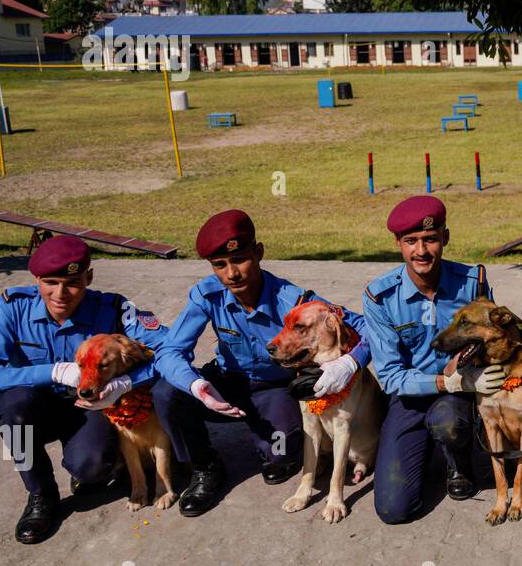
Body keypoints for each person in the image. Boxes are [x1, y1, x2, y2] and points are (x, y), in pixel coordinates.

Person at [152, 209, 371, 517]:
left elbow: (364, 328)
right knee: (167, 393)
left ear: (258, 253)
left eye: (239, 259)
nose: (232, 274)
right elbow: (169, 351)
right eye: (219, 265)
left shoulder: (293, 299)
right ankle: (203, 465)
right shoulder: (207, 294)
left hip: (273, 388)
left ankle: (274, 448)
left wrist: (350, 363)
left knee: (280, 457)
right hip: (226, 382)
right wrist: (198, 386)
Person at [0, 235, 171, 543]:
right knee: (13, 407)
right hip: (35, 408)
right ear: (36, 279)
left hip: (91, 409)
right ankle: (40, 495)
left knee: (92, 468)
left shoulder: (113, 307)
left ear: (89, 276)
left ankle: (100, 466)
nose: (61, 293)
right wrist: (54, 371)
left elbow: (171, 349)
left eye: (73, 282)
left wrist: (127, 381)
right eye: (50, 282)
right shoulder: (12, 308)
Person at [364, 195, 499, 524]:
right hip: (410, 397)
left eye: (430, 239)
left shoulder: (473, 283)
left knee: (448, 421)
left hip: (461, 395)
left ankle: (460, 464)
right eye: (410, 241)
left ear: (445, 238)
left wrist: (469, 365)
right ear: (398, 243)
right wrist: (442, 380)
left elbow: (493, 339)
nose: (421, 251)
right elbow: (392, 377)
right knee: (394, 510)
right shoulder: (380, 297)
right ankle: (420, 450)